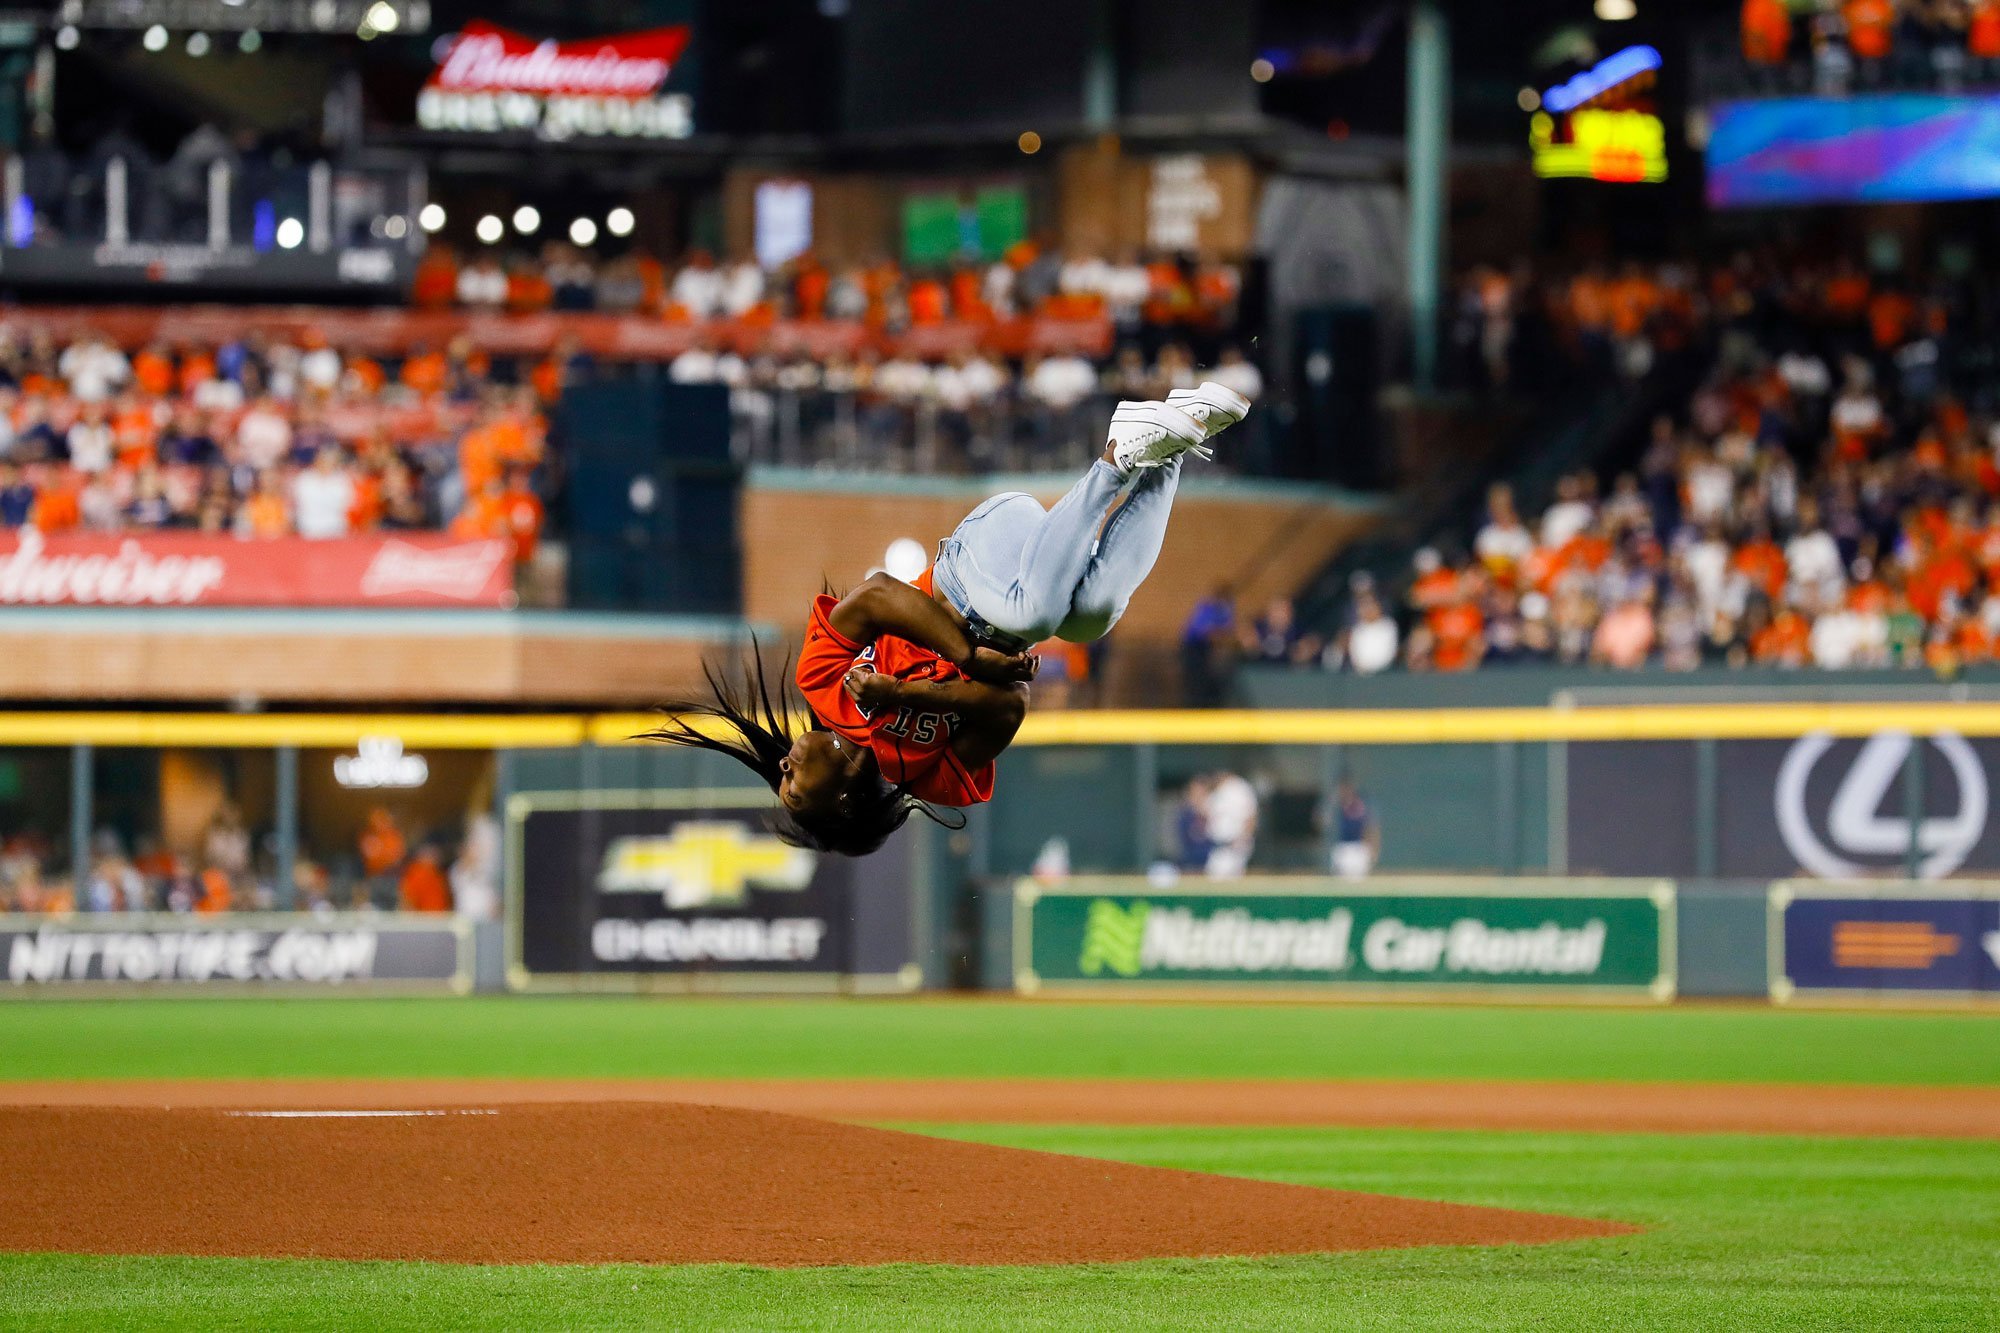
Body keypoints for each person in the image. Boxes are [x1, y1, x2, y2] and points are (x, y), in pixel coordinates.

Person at [646, 382, 1253, 855]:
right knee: (1090, 618)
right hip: (1028, 584)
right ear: (844, 804)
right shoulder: (933, 780)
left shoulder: (820, 682)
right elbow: (1010, 707)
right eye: (795, 792)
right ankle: (1176, 441)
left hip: (973, 560)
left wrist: (961, 660)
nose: (784, 767)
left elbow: (879, 594)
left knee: (1039, 611)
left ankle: (1117, 456)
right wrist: (906, 692)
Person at [1325, 777, 1379, 880]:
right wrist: (1331, 802)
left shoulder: (1362, 804)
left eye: (1347, 788)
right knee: (1340, 882)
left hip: (1359, 848)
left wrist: (1374, 848)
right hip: (1343, 848)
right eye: (1342, 788)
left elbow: (1372, 827)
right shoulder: (1337, 805)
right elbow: (1321, 821)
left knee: (1359, 882)